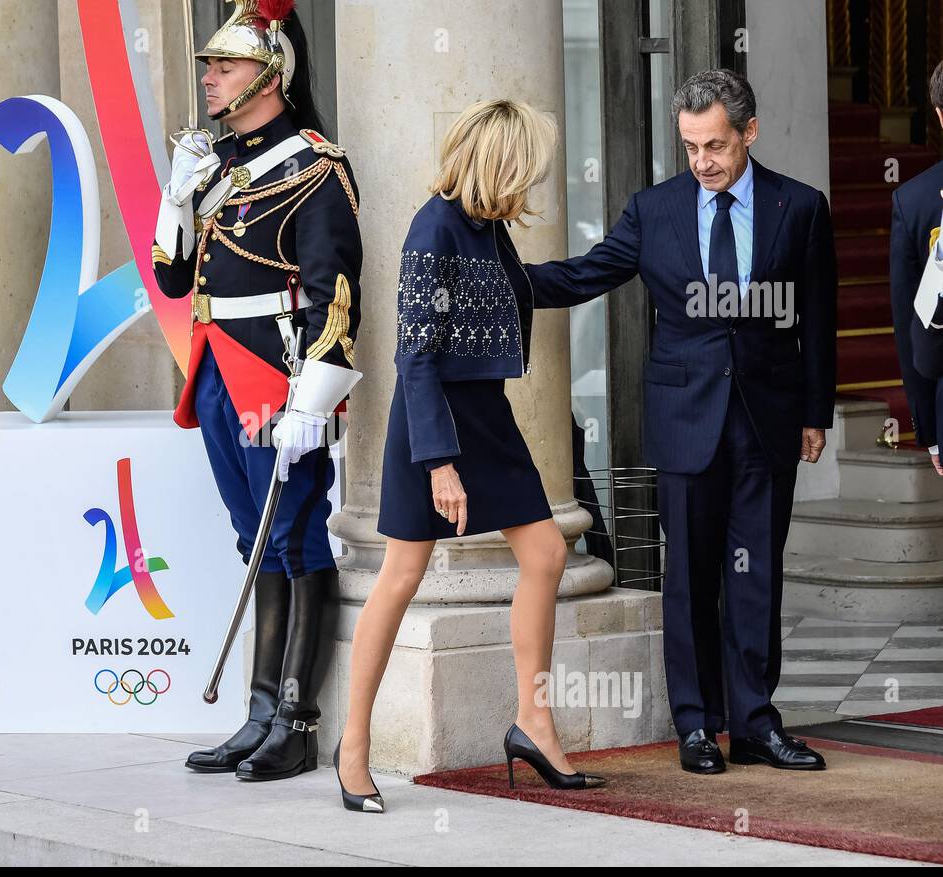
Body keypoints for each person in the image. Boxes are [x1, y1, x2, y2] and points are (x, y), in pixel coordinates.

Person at [526, 69, 836, 774]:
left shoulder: (801, 206)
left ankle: (756, 722)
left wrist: (816, 411)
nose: (704, 161)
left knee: (756, 573)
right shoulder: (654, 209)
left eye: (717, 145)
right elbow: (588, 273)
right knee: (691, 573)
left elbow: (818, 319)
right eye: (692, 146)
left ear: (749, 133)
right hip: (685, 418)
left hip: (768, 418)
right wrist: (507, 276)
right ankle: (696, 724)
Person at [334, 100, 606, 813]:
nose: (531, 186)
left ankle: (533, 723)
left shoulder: (488, 231)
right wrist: (440, 464)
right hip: (435, 422)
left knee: (546, 555)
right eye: (525, 172)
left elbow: (533, 287)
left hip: (487, 415)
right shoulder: (436, 227)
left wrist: (628, 256)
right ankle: (353, 746)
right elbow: (414, 357)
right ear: (498, 163)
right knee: (401, 574)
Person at [151, 0, 362, 781]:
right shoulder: (220, 163)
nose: (209, 77)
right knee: (254, 537)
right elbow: (174, 280)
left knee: (294, 535)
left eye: (226, 65)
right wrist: (179, 195)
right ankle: (259, 710)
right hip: (213, 368)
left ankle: (299, 720)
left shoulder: (314, 169)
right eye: (207, 65)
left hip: (275, 378)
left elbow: (335, 295)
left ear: (272, 73)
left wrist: (315, 403)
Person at [890, 59, 943, 476]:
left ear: (939, 115)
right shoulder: (913, 202)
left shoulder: (914, 200)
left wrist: (929, 428)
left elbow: (915, 325)